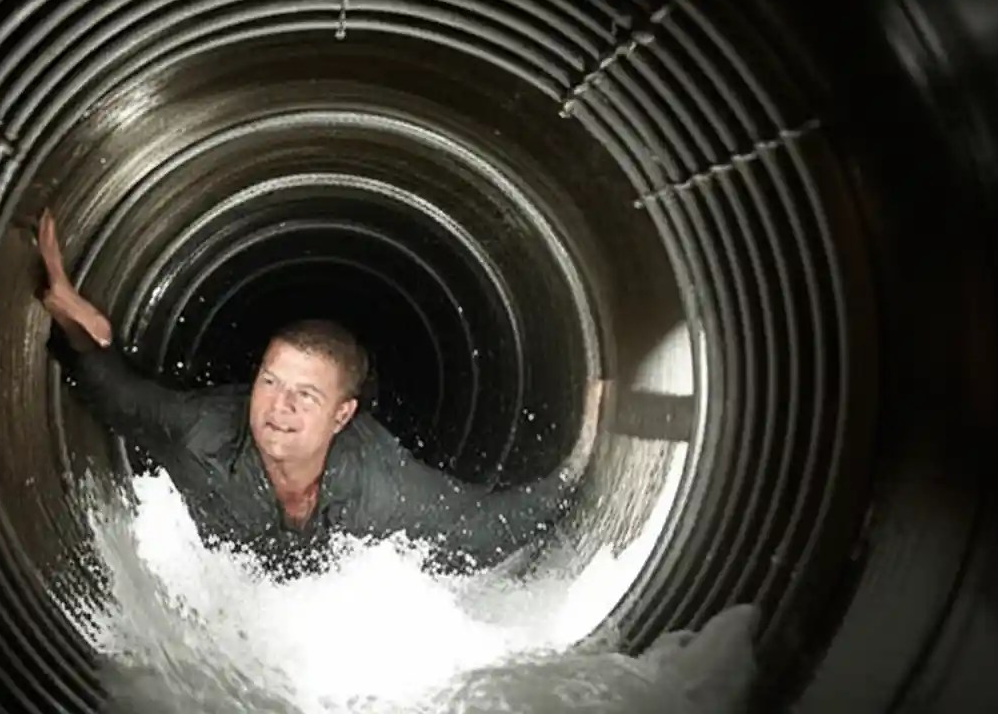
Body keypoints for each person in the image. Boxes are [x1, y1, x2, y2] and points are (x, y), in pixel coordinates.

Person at [36, 210, 603, 577]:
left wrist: (579, 463)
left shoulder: (381, 484)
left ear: (343, 415)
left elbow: (481, 527)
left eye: (305, 396)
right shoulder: (203, 431)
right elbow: (118, 398)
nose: (278, 407)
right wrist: (77, 324)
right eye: (270, 382)